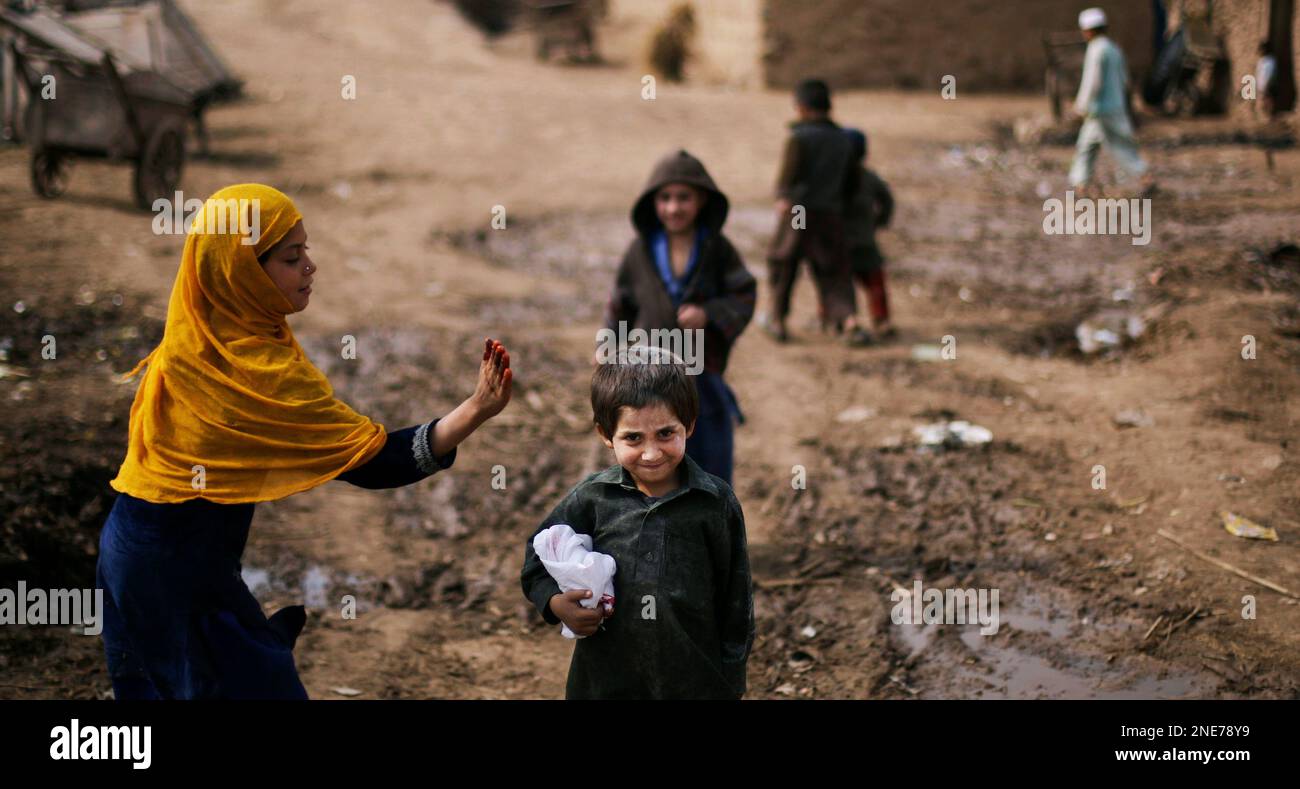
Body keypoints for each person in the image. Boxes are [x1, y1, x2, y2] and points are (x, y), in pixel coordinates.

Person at [96, 183, 513, 699]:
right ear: (243, 273)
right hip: (177, 575)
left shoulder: (193, 342)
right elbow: (374, 462)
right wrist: (476, 409)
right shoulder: (258, 373)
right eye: (292, 258)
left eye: (306, 251)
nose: (310, 267)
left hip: (133, 555)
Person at [521, 350, 754, 698]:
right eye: (633, 438)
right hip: (605, 683)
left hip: (693, 682)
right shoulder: (593, 498)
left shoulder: (715, 503)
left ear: (689, 425)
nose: (651, 453)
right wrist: (557, 604)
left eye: (665, 433)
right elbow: (537, 555)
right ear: (606, 434)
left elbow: (736, 603)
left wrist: (731, 682)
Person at [601, 149, 756, 484]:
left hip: (701, 374)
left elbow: (744, 293)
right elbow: (620, 303)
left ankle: (710, 510)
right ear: (653, 202)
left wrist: (709, 313)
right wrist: (609, 349)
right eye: (665, 198)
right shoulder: (640, 251)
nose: (673, 208)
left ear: (702, 200)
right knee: (653, 454)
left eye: (684, 198)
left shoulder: (717, 249)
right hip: (648, 375)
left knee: (708, 455)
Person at [765, 78, 869, 346]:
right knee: (834, 270)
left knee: (784, 263)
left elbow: (788, 177)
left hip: (799, 211)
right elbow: (853, 182)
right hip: (830, 213)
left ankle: (776, 320)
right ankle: (849, 321)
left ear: (801, 107)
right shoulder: (844, 141)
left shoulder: (798, 139)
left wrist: (783, 198)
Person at [1068, 8, 1156, 197]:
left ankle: (1145, 177)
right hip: (1112, 108)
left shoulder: (1096, 50)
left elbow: (1092, 81)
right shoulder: (1114, 49)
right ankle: (1080, 185)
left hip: (1101, 110)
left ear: (1088, 30)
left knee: (1119, 146)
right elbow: (1125, 81)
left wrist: (1080, 106)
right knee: (1086, 146)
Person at [843, 127, 896, 339]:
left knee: (840, 283)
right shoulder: (870, 178)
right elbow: (888, 201)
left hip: (840, 244)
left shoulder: (832, 180)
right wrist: (879, 222)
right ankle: (881, 320)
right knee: (874, 282)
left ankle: (848, 320)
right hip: (865, 240)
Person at [1256, 40, 1278, 120]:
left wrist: (1267, 85)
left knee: (1269, 101)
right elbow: (1259, 74)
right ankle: (1266, 116)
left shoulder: (1271, 61)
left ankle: (1270, 116)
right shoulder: (1261, 61)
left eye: (1262, 50)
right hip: (1261, 86)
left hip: (1269, 85)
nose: (1260, 52)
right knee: (1263, 102)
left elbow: (1270, 74)